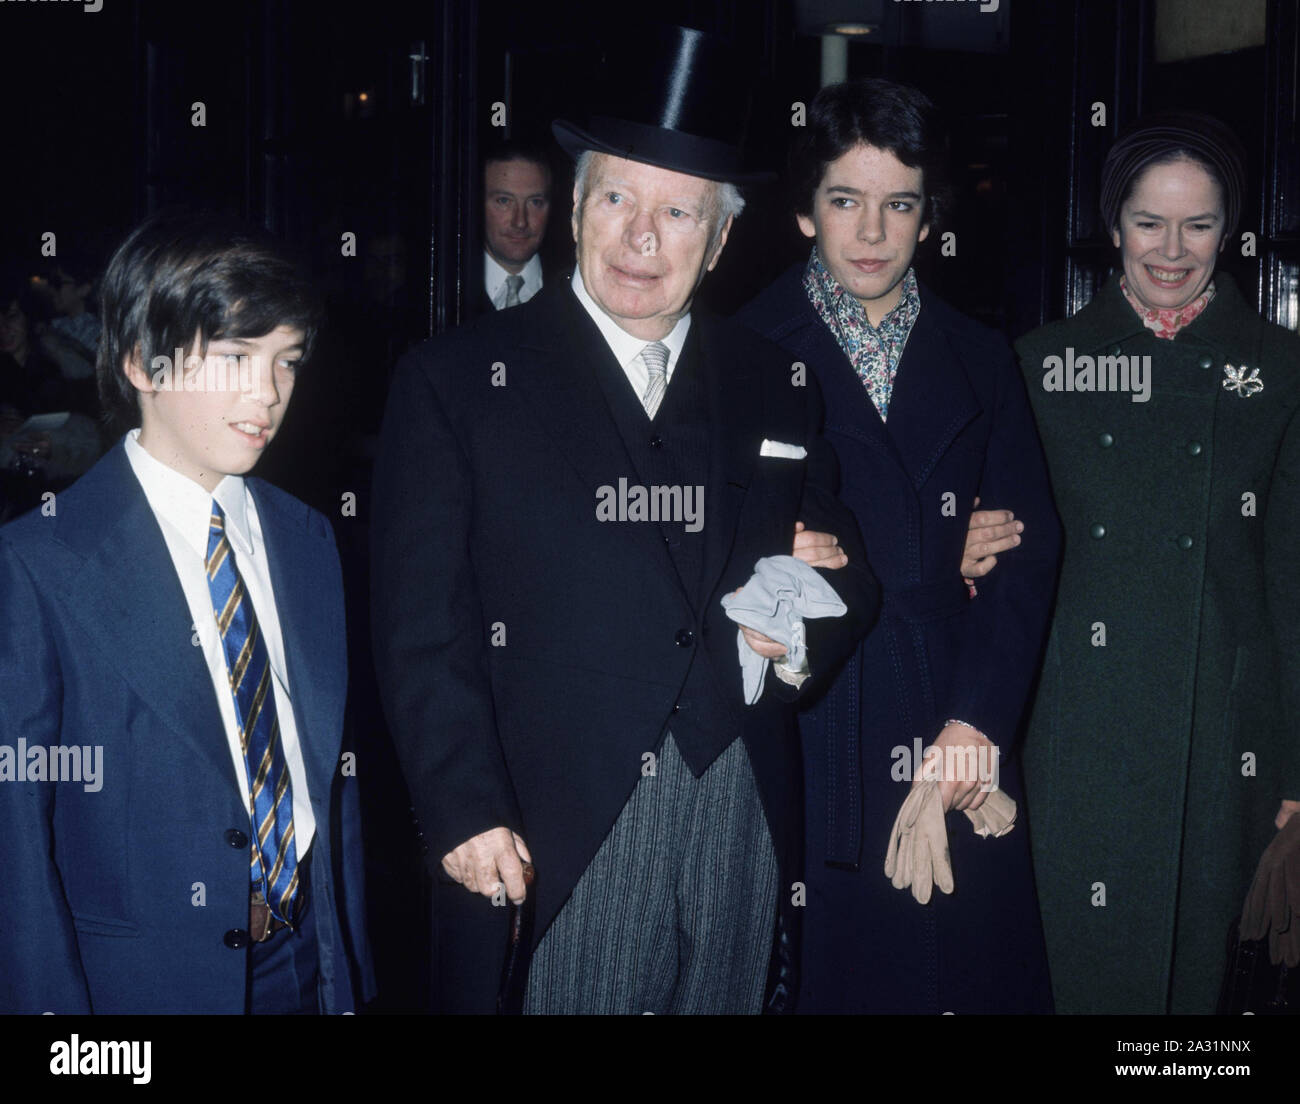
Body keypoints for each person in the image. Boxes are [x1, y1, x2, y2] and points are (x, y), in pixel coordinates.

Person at [371, 25, 880, 1015]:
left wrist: (809, 613)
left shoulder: (774, 380)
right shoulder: (456, 383)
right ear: (574, 209)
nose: (642, 238)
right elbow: (418, 628)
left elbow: (838, 557)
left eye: (679, 212)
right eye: (617, 199)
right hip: (557, 821)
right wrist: (463, 809)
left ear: (722, 237)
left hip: (741, 809)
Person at [736, 78, 1060, 1014]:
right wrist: (919, 553)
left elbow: (1029, 556)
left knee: (970, 974)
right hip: (816, 726)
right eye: (846, 201)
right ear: (804, 212)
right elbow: (732, 549)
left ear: (929, 219)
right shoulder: (742, 350)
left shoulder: (980, 352)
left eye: (900, 205)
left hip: (958, 708)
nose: (872, 232)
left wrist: (976, 727)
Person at [0, 212, 373, 1013]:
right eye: (236, 356)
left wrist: (346, 971)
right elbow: (15, 841)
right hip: (139, 989)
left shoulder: (307, 539)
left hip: (306, 962)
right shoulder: (41, 562)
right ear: (142, 360)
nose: (267, 393)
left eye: (286, 361)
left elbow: (327, 784)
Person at [1016, 111, 1300, 1014]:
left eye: (1200, 223)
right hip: (1075, 742)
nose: (1172, 250)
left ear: (1232, 230)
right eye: (1148, 221)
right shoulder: (1040, 366)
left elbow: (1296, 586)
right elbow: (1010, 567)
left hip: (1223, 743)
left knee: (1197, 1001)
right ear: (1113, 227)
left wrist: (1298, 782)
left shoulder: (1281, 371)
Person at [480, 141, 552, 312]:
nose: (520, 222)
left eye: (535, 202)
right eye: (504, 201)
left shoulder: (576, 290)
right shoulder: (445, 290)